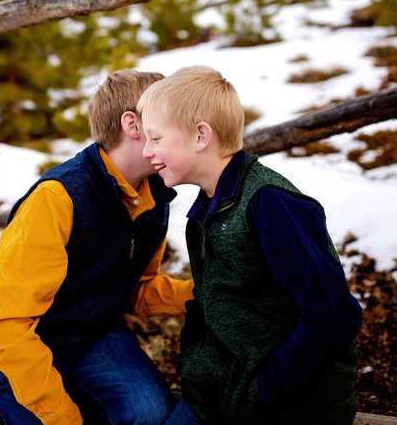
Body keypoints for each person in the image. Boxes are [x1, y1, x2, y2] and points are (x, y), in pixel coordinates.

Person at [137, 65, 363, 424]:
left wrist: (271, 387)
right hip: (220, 391)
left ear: (200, 136)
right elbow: (215, 298)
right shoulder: (205, 209)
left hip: (285, 404)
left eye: (156, 138)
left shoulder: (270, 203)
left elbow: (333, 313)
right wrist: (196, 355)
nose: (146, 152)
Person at [0, 69, 193, 424]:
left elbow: (137, 290)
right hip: (26, 343)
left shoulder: (155, 194)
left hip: (95, 333)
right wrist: (61, 415)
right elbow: (8, 325)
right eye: (174, 116)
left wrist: (204, 294)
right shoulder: (57, 198)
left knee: (151, 414)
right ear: (133, 125)